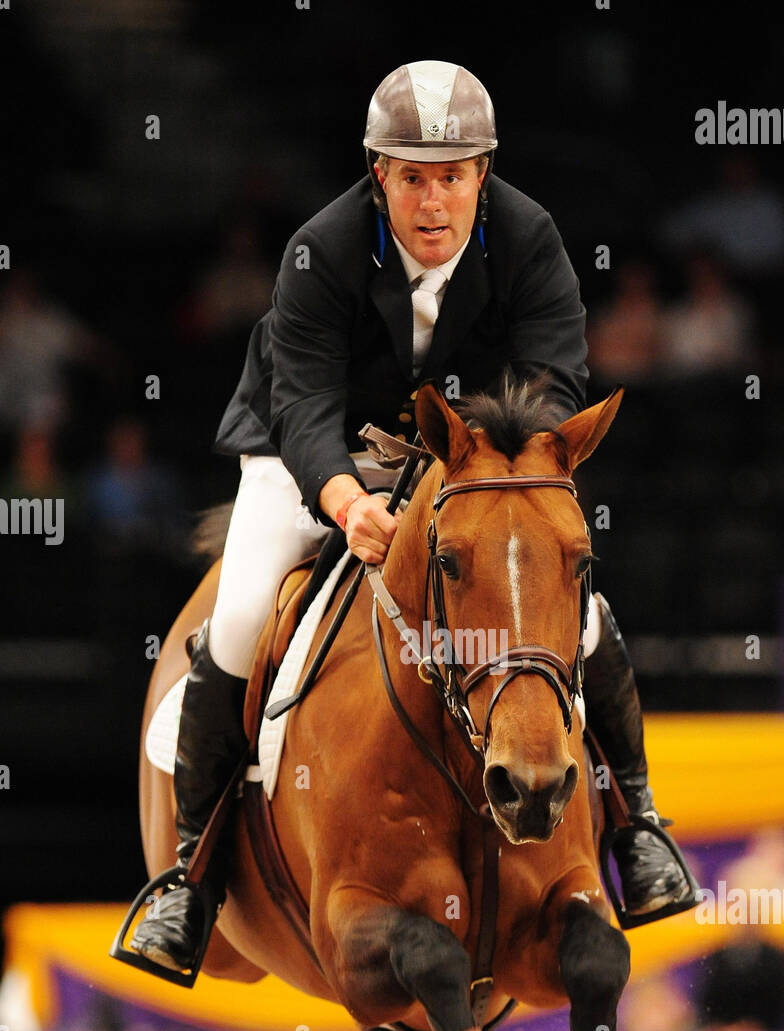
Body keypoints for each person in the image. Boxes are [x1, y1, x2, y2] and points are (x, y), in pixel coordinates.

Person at [131, 60, 695, 975]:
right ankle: (187, 881)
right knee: (235, 623)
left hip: (463, 463)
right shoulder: (320, 249)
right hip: (309, 454)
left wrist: (504, 477)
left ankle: (636, 828)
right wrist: (344, 498)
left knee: (582, 616)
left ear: (483, 172)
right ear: (377, 173)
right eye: (412, 176)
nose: (434, 201)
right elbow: (304, 400)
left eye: (453, 175)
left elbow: (552, 376)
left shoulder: (528, 236)